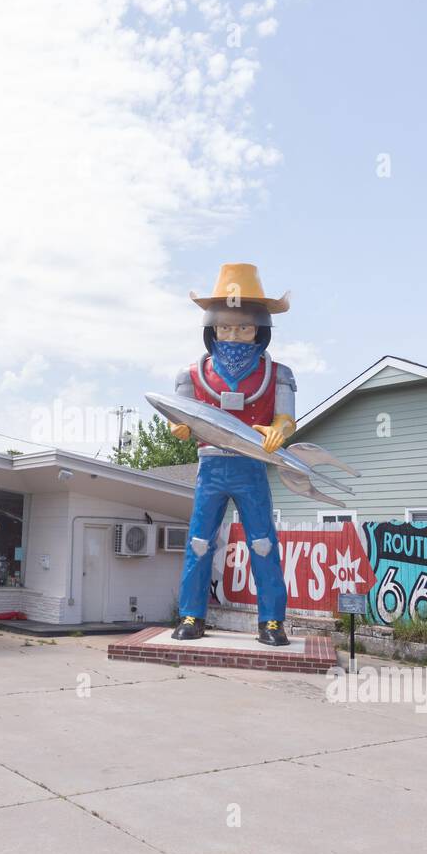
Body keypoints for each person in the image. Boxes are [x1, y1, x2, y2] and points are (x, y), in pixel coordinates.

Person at [170, 263, 296, 646]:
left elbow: (286, 419)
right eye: (225, 326)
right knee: (198, 542)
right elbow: (179, 419)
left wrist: (279, 430)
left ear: (260, 328)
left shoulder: (277, 373)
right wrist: (178, 427)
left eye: (243, 326)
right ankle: (192, 614)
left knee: (262, 542)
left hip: (251, 465)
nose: (234, 333)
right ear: (212, 328)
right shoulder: (191, 375)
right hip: (210, 466)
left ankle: (271, 621)